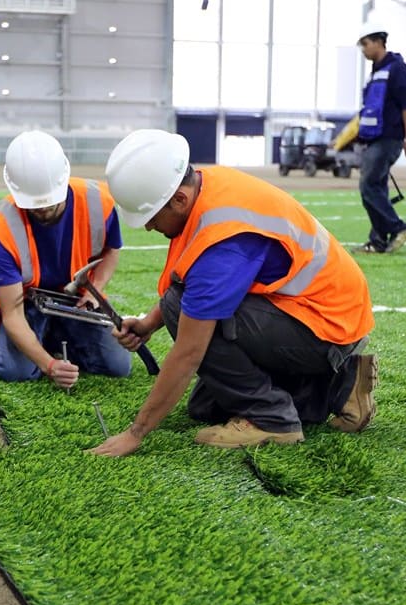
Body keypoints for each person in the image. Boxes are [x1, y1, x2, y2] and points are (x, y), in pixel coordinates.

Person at [90, 129, 378, 458]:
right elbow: (189, 276)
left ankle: (273, 418)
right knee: (206, 405)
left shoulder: (225, 240)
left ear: (179, 200)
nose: (149, 228)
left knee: (178, 307)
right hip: (313, 314)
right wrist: (147, 325)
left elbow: (188, 353)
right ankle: (336, 388)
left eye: (152, 218)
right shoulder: (203, 184)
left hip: (326, 327)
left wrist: (136, 432)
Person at [0, 131, 132, 389]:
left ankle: (53, 334)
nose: (43, 209)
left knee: (117, 366)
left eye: (51, 203)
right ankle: (43, 338)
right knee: (14, 371)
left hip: (75, 301)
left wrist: (96, 292)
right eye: (34, 205)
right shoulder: (2, 225)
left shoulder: (98, 202)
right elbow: (13, 314)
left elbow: (111, 250)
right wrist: (49, 366)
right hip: (26, 302)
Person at [355, 19, 406, 254]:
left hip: (389, 138)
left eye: (366, 44)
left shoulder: (397, 69)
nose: (363, 49)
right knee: (377, 188)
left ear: (379, 41)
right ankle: (378, 240)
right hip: (375, 138)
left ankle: (398, 227)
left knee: (369, 185)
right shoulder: (377, 71)